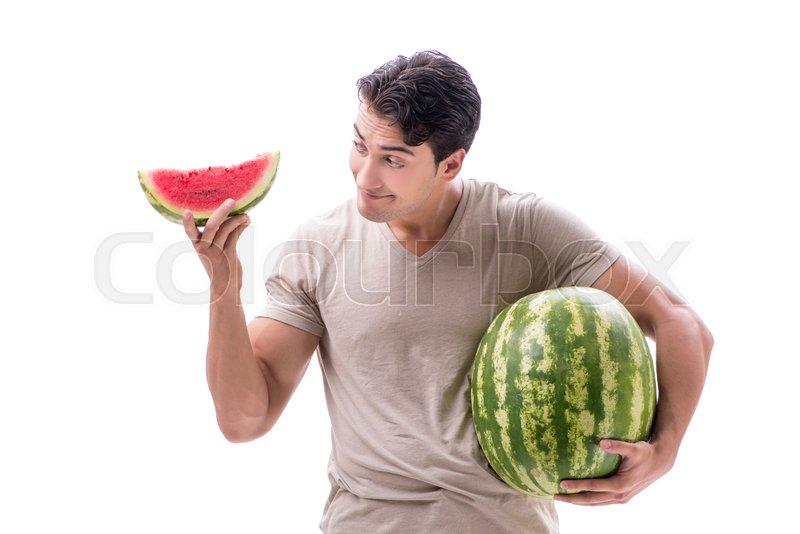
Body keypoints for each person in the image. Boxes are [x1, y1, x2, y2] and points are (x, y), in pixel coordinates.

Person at [182, 51, 713, 533]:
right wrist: (223, 286)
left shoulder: (524, 227)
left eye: (392, 159)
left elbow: (680, 323)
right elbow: (243, 420)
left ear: (451, 163)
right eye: (359, 146)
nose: (364, 175)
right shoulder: (317, 247)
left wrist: (664, 451)